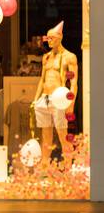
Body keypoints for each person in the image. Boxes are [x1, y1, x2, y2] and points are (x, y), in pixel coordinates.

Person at [33, 21, 78, 165]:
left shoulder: (69, 57)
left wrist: (71, 102)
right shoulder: (46, 57)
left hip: (59, 98)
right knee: (46, 135)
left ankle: (69, 167)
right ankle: (44, 167)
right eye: (47, 38)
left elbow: (73, 82)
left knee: (62, 134)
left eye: (51, 38)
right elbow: (42, 80)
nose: (49, 41)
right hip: (45, 98)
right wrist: (35, 99)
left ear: (60, 37)